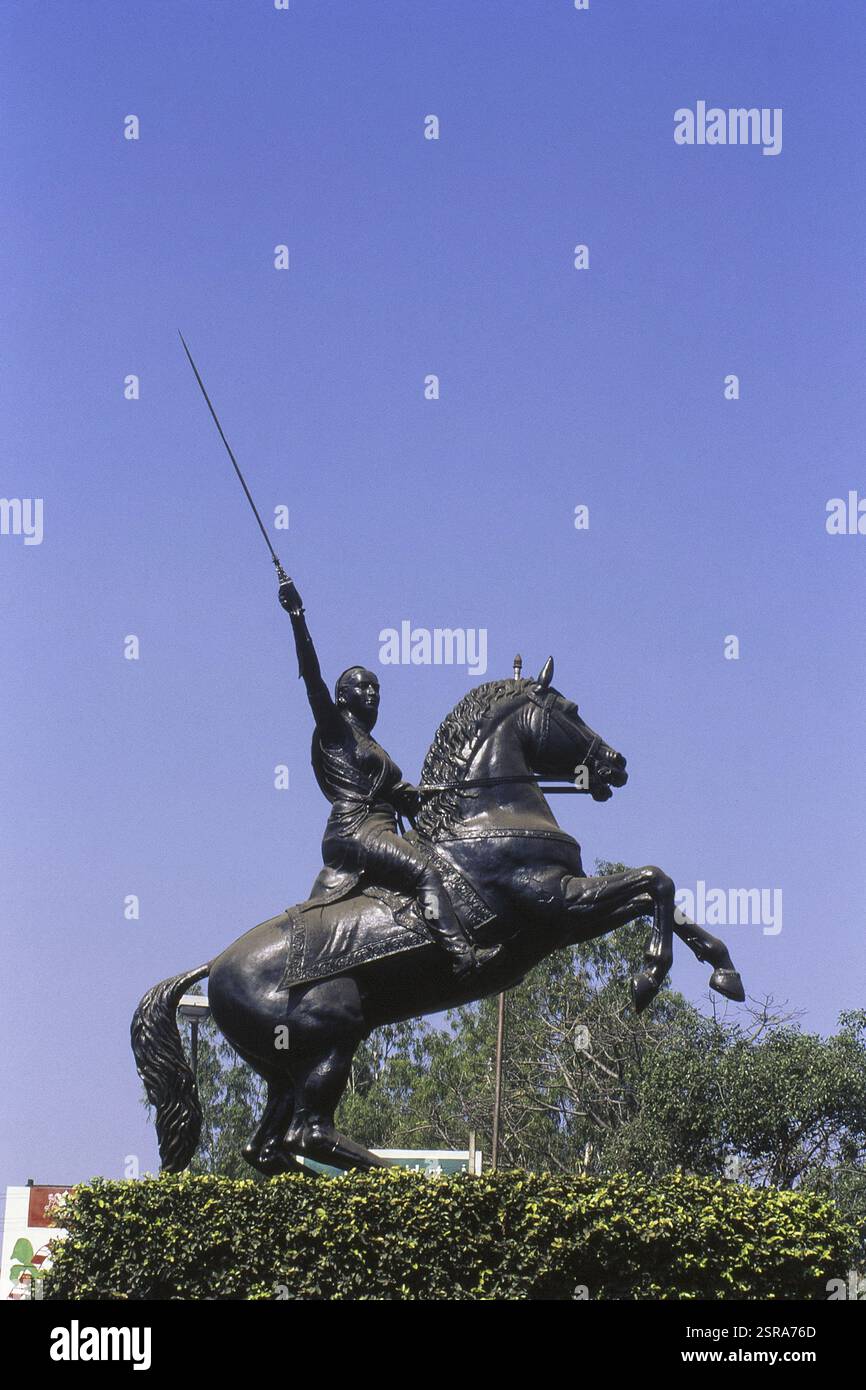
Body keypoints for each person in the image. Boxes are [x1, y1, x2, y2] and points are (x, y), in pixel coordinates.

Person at [278, 577, 498, 978]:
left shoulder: (372, 745)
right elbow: (312, 677)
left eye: (377, 687)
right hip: (356, 831)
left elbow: (393, 792)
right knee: (424, 871)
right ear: (343, 696)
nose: (373, 692)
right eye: (364, 686)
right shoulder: (335, 729)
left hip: (381, 829)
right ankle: (462, 955)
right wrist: (297, 617)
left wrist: (411, 796)